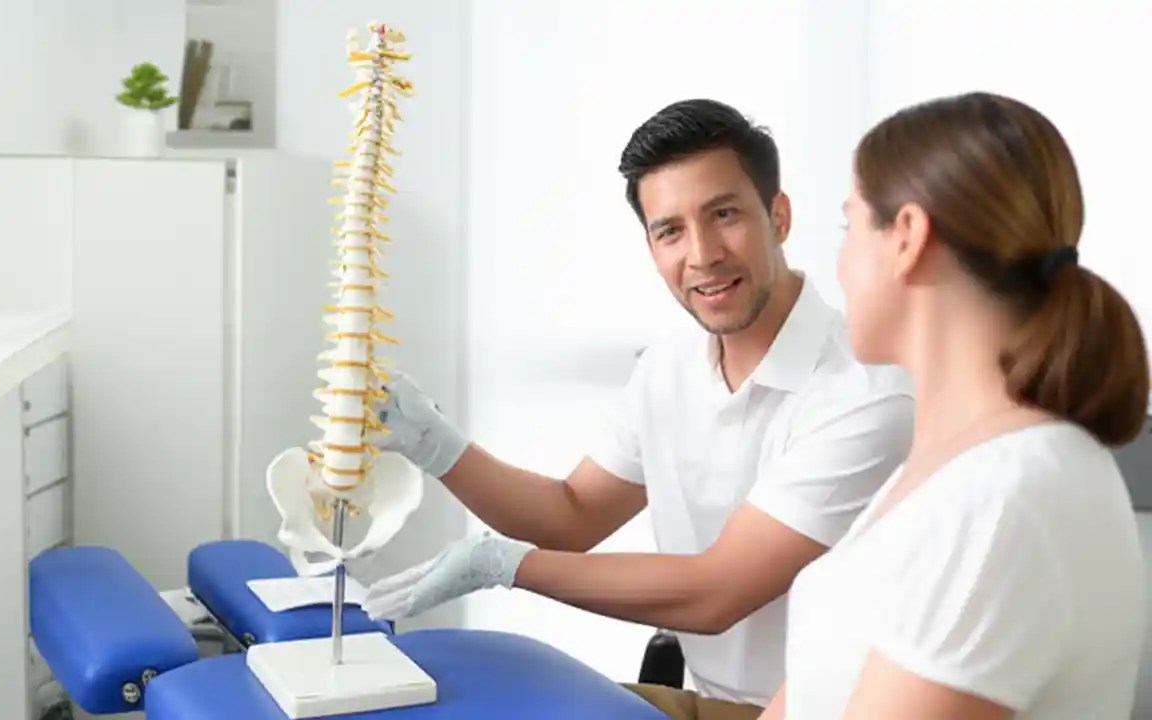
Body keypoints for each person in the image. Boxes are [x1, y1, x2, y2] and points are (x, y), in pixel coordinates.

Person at [365, 99, 915, 720]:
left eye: (724, 214)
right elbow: (571, 516)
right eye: (670, 230)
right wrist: (439, 448)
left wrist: (507, 566)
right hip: (712, 701)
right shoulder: (670, 366)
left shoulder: (863, 392)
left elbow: (717, 594)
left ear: (779, 216)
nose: (703, 254)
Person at [757, 91, 1149, 719]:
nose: (838, 261)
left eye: (849, 225)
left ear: (907, 236)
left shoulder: (1009, 495)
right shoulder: (944, 476)